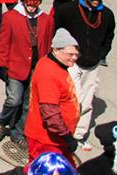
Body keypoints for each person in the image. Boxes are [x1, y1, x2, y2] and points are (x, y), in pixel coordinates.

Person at [53, 0, 115, 151]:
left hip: (92, 64)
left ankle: (79, 135)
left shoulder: (107, 14)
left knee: (86, 102)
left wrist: (100, 55)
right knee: (68, 99)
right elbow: (55, 30)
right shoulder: (67, 10)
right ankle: (62, 133)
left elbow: (109, 37)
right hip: (70, 63)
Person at [0, 0, 54, 147]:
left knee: (28, 103)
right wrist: (2, 65)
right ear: (23, 1)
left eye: (35, 2)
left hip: (36, 67)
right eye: (28, 1)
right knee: (14, 100)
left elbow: (48, 45)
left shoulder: (46, 20)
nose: (32, 5)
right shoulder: (10, 18)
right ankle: (2, 121)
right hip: (15, 66)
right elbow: (4, 43)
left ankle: (18, 132)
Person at [23, 28, 82, 166]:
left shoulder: (56, 65)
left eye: (76, 54)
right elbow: (50, 113)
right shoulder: (49, 74)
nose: (74, 58)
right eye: (70, 54)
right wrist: (67, 137)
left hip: (55, 140)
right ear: (56, 50)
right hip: (46, 141)